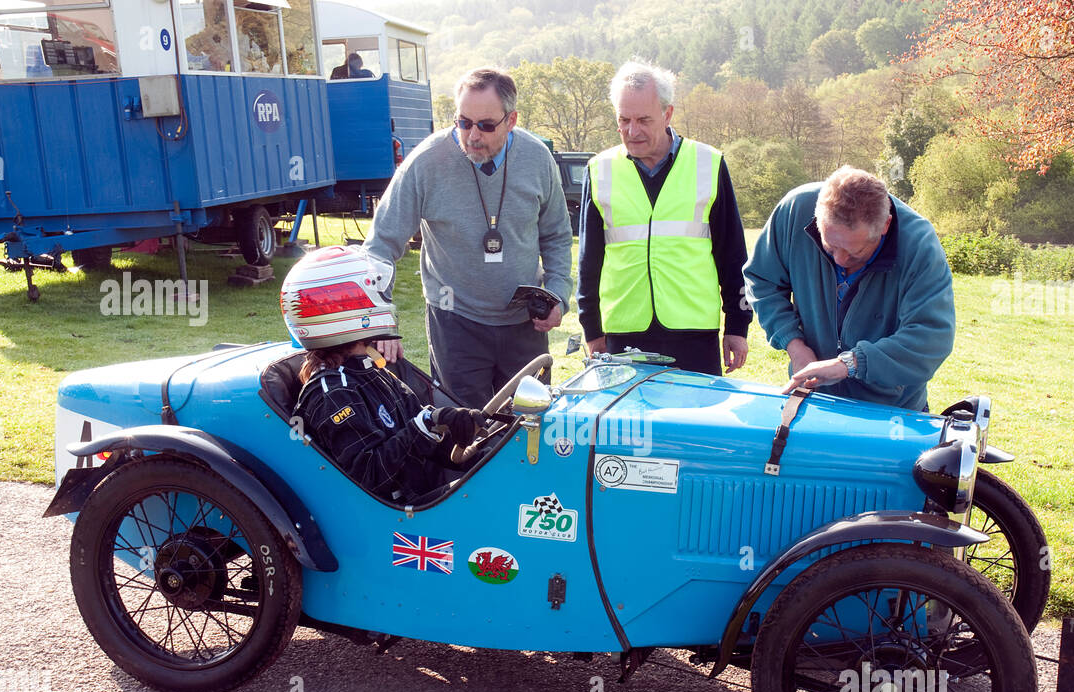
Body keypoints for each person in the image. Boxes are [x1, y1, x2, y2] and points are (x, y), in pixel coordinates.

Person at [363, 67, 573, 408]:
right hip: (455, 322)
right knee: (462, 434)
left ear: (512, 120)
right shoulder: (426, 162)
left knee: (527, 425)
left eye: (486, 125)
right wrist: (381, 319)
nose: (472, 135)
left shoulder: (537, 158)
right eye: (463, 122)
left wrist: (559, 294)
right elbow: (380, 245)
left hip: (525, 324)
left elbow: (557, 236)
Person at [577, 62, 750, 376]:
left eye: (644, 120)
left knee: (694, 425)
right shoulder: (599, 170)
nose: (633, 131)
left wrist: (738, 327)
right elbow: (589, 263)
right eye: (624, 120)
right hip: (624, 332)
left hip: (694, 333)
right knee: (632, 425)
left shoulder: (708, 163)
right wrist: (591, 330)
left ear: (668, 114)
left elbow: (733, 254)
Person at [283, 246, 486, 503]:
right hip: (393, 516)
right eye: (371, 295)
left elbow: (428, 439)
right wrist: (424, 424)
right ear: (344, 309)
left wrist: (476, 445)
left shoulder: (373, 371)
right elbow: (369, 474)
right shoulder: (333, 394)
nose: (380, 302)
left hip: (420, 500)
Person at [744, 166, 955, 412]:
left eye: (856, 252)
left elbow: (932, 337)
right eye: (830, 246)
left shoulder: (919, 246)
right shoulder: (794, 211)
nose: (840, 260)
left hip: (889, 409)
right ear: (817, 217)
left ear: (885, 225)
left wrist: (851, 364)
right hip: (814, 401)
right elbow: (762, 281)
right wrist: (794, 344)